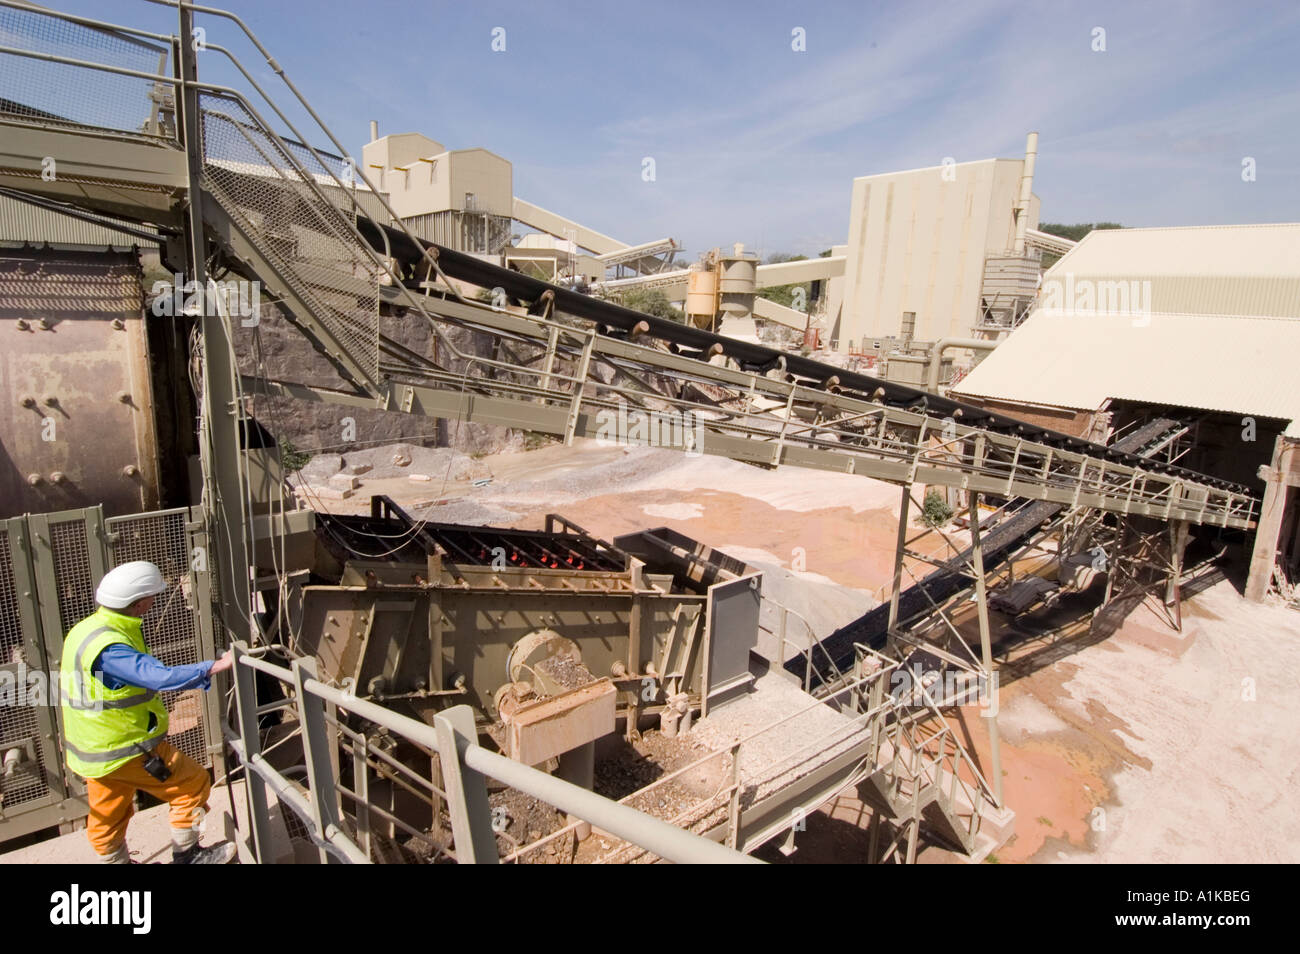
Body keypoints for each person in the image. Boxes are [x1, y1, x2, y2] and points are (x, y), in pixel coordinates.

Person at [60, 560, 236, 864]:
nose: (154, 602)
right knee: (193, 785)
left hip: (94, 752)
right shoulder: (111, 646)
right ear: (139, 602)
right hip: (127, 747)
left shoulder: (86, 629)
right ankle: (189, 856)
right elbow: (158, 677)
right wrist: (213, 666)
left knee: (108, 818)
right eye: (152, 598)